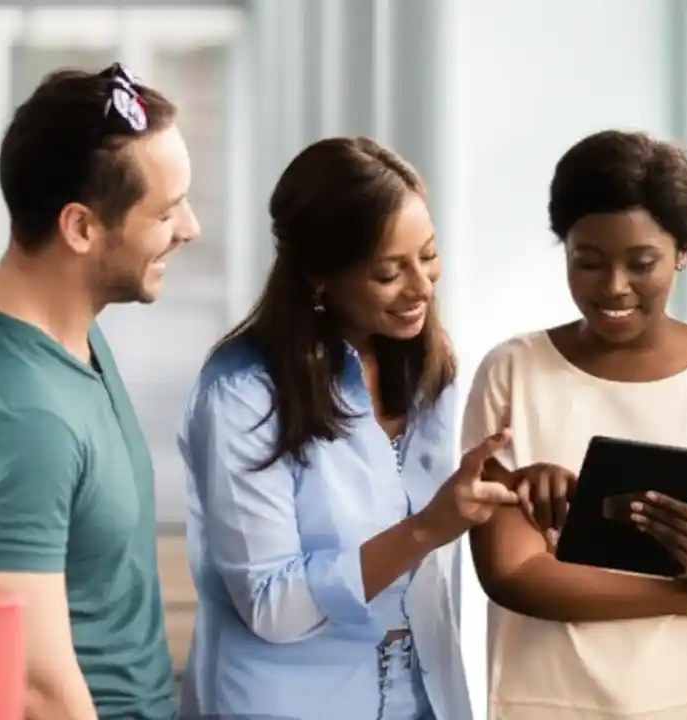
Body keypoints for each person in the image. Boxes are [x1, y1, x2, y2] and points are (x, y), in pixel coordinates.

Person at [178, 137, 515, 720]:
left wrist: (515, 490)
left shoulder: (432, 370)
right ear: (318, 276)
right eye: (389, 272)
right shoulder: (243, 393)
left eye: (429, 257)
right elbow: (271, 605)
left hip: (423, 698)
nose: (422, 287)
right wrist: (425, 529)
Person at [464, 129, 687, 719]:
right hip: (550, 702)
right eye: (587, 262)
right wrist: (684, 597)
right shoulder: (513, 372)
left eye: (642, 263)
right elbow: (512, 573)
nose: (613, 288)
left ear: (683, 251)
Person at [0, 64, 198, 719]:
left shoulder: (75, 336)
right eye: (165, 212)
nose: (190, 228)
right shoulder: (26, 415)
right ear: (81, 228)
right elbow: (33, 688)